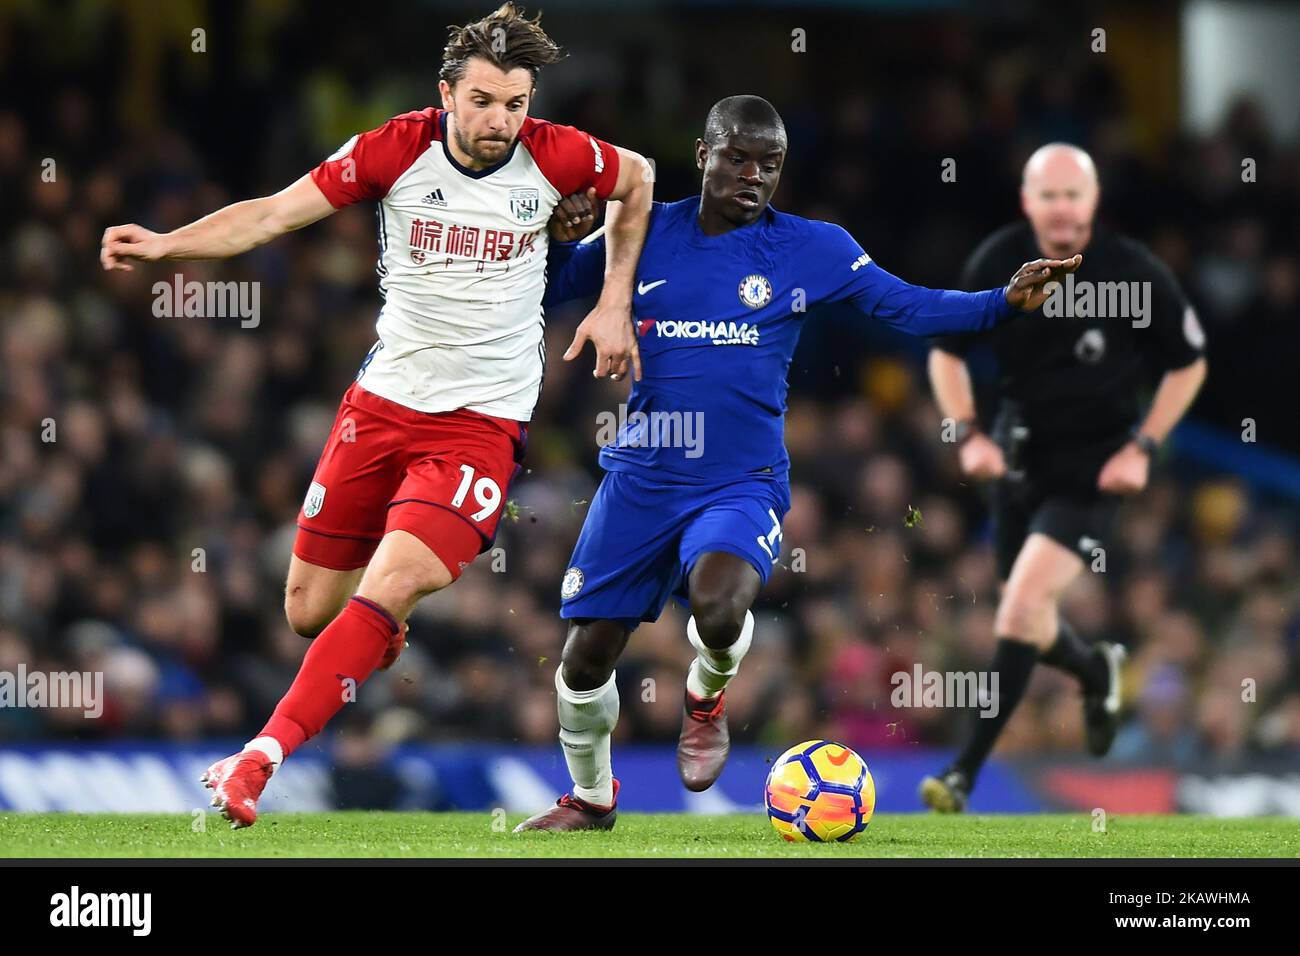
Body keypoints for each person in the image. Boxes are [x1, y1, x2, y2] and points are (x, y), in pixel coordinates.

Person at [99, 2, 653, 828]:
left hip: (480, 423)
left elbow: (638, 177)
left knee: (391, 585)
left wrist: (611, 304)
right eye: (483, 101)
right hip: (382, 404)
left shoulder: (556, 155)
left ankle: (257, 760)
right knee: (308, 612)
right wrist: (167, 244)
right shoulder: (393, 149)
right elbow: (274, 213)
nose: (500, 120)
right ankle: (375, 634)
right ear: (446, 94)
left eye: (515, 104)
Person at [515, 96, 1082, 832]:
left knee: (719, 608)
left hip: (740, 482)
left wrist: (1002, 302)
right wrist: (560, 242)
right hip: (643, 478)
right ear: (703, 153)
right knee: (585, 660)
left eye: (771, 164)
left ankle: (706, 698)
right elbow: (551, 286)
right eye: (739, 158)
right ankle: (591, 801)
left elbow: (907, 306)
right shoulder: (644, 228)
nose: (754, 176)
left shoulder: (811, 248)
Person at [919, 143, 1207, 812]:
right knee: (1028, 615)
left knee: (1019, 606)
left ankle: (963, 771)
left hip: (1093, 471)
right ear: (1027, 202)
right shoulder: (1000, 260)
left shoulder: (1133, 270)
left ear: (1093, 200)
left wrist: (1143, 446)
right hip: (1017, 461)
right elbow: (946, 352)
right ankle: (1092, 667)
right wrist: (968, 432)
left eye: (1072, 194)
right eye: (1047, 195)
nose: (1061, 207)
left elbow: (1188, 362)